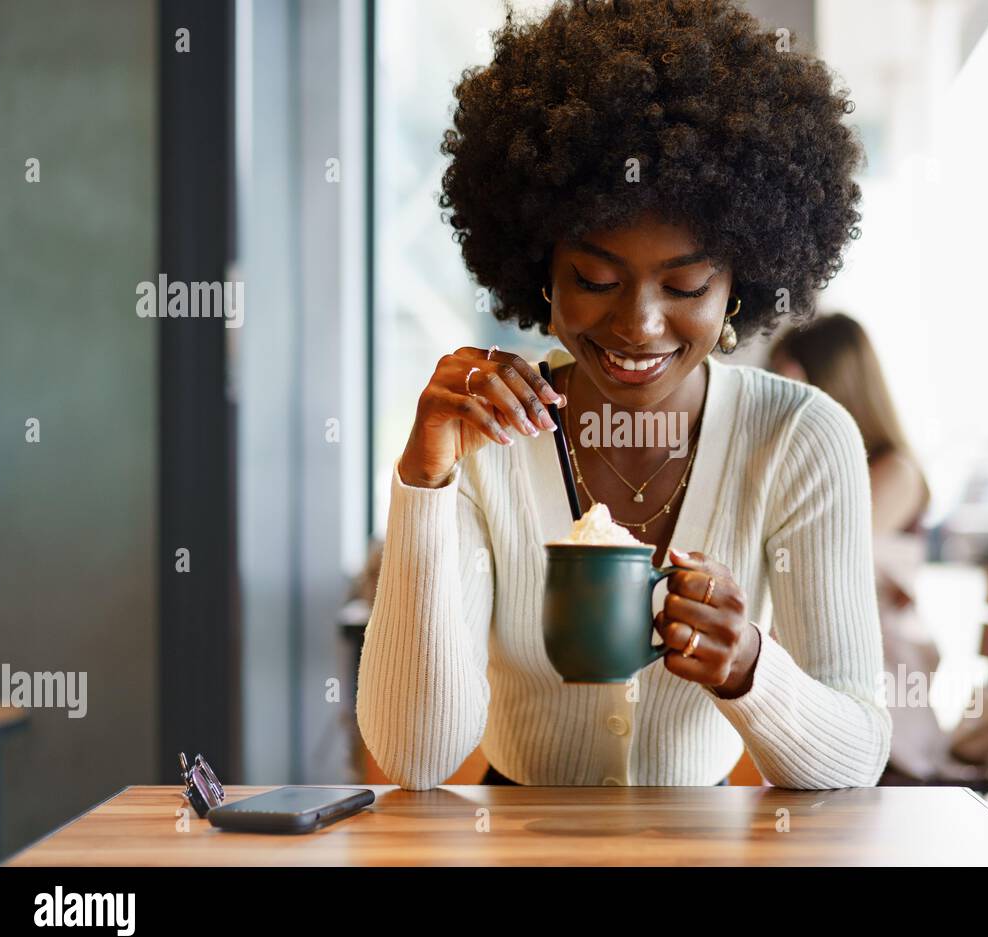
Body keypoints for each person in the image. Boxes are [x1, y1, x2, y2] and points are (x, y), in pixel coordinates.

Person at [356, 0, 891, 789]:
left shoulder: (800, 438)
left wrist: (749, 669)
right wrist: (426, 480)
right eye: (596, 280)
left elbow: (856, 754)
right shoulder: (483, 436)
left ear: (741, 282)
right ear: (540, 268)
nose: (639, 324)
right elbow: (415, 758)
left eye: (686, 284)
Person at [770, 314, 950, 779]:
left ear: (833, 384)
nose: (780, 398)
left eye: (791, 381)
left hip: (885, 692)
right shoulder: (838, 470)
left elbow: (825, 559)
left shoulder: (896, 472)